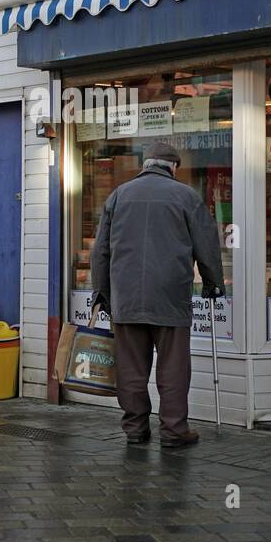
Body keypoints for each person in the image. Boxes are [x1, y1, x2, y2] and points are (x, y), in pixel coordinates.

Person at [90, 141, 225, 449]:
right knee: (173, 368)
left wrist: (102, 293)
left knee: (130, 367)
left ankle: (135, 429)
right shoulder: (186, 197)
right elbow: (207, 246)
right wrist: (212, 283)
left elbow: (101, 251)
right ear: (173, 167)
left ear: (146, 164)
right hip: (170, 296)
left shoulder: (118, 196)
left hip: (126, 297)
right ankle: (174, 431)